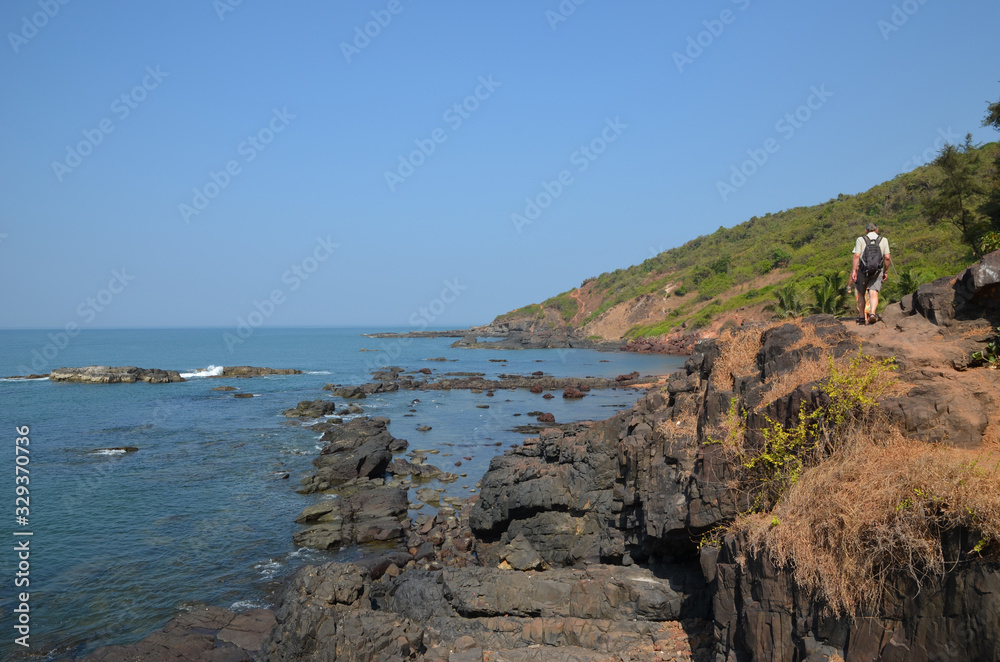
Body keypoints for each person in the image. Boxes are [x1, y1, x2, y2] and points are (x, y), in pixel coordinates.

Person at [851, 222, 890, 324]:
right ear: (876, 230)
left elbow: (856, 256)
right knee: (873, 292)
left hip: (862, 270)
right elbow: (887, 257)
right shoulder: (884, 240)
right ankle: (872, 313)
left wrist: (854, 271)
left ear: (865, 230)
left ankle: (861, 317)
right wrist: (885, 271)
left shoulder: (860, 239)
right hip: (877, 271)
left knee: (861, 293)